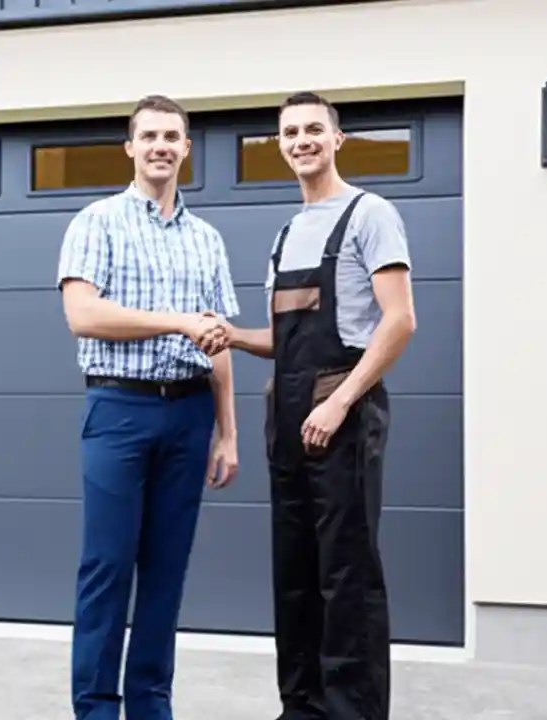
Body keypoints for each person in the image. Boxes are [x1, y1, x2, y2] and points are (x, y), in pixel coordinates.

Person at [218, 92, 418, 720]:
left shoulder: (370, 214)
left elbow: (399, 321)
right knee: (296, 573)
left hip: (343, 414)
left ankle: (353, 711)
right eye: (290, 132)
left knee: (346, 573)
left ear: (337, 139)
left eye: (313, 129)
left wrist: (341, 403)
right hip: (287, 417)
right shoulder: (286, 235)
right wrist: (232, 335)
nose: (301, 140)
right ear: (280, 145)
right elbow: (285, 340)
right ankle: (300, 707)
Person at [56, 94, 241, 720]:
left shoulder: (207, 239)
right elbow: (83, 315)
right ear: (130, 148)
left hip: (189, 415)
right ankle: (96, 709)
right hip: (119, 411)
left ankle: (151, 706)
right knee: (107, 567)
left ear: (186, 148)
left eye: (172, 137)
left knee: (166, 571)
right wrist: (176, 322)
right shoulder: (97, 222)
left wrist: (227, 433)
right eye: (150, 136)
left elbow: (218, 340)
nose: (161, 146)